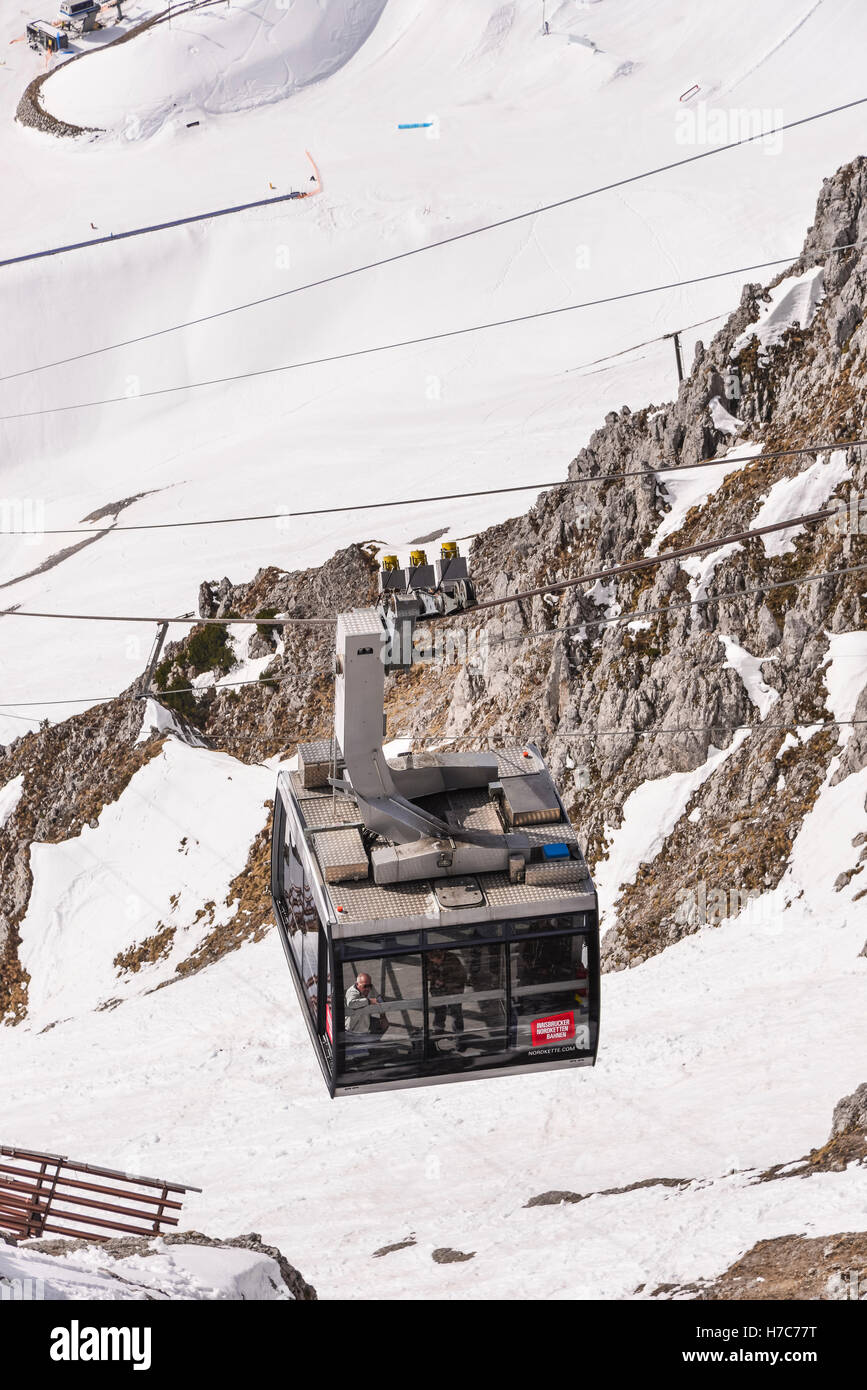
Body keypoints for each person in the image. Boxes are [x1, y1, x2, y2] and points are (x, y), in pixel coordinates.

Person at [427, 949, 467, 1045]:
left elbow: (461, 976)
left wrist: (443, 981)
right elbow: (427, 974)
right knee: (439, 1010)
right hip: (438, 990)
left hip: (454, 989)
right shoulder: (429, 960)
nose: (434, 962)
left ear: (441, 956)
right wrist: (434, 978)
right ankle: (439, 1030)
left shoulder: (452, 960)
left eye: (436, 960)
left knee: (456, 1012)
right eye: (432, 961)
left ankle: (458, 1035)